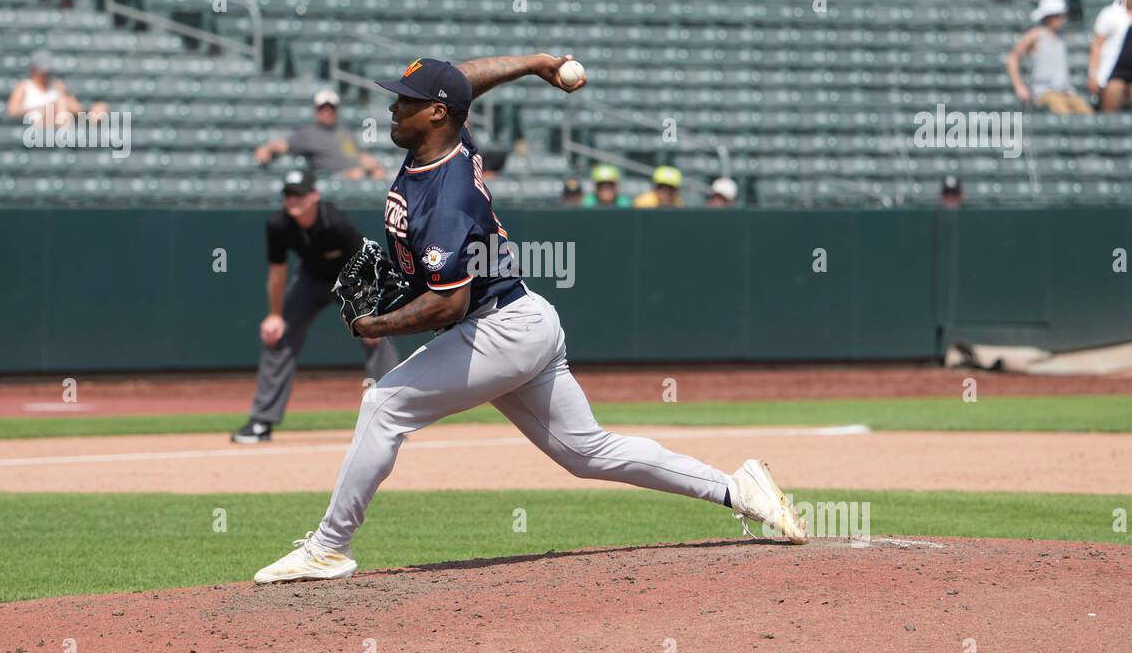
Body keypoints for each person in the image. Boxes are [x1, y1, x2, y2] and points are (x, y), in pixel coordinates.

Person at [252, 53, 806, 582]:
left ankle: (329, 547)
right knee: (586, 451)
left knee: (383, 405)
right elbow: (463, 80)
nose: (392, 110)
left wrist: (373, 326)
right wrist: (535, 62)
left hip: (497, 330)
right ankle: (738, 489)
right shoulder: (442, 138)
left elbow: (449, 304)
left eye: (404, 102)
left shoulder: (446, 198)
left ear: (435, 113)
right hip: (524, 318)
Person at [232, 170, 400, 444]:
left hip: (349, 281)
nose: (293, 200)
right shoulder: (278, 224)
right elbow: (277, 271)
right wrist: (274, 316)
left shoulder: (336, 223)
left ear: (314, 195)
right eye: (288, 195)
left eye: (299, 194)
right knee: (278, 337)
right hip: (309, 280)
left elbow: (366, 265)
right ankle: (261, 422)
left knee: (377, 336)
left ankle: (389, 418)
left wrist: (370, 315)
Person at [253, 88, 385, 179]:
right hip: (335, 180)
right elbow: (284, 144)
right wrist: (266, 148)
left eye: (331, 109)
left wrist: (375, 167)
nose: (327, 113)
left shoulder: (343, 130)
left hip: (359, 176)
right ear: (316, 110)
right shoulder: (308, 133)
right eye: (322, 109)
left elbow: (359, 154)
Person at [1006, 0, 1092, 115]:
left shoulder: (1062, 37)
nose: (1062, 19)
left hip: (1066, 91)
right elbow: (1012, 58)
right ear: (1048, 17)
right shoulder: (1035, 35)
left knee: (1087, 113)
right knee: (1063, 113)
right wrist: (1019, 87)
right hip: (1044, 92)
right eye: (1058, 16)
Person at [5, 50, 107, 123]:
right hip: (36, 125)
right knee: (60, 104)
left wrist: (91, 110)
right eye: (43, 72)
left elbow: (74, 106)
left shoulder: (57, 84)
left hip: (59, 121)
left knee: (100, 108)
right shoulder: (24, 87)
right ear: (33, 70)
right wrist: (45, 108)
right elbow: (13, 112)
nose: (47, 75)